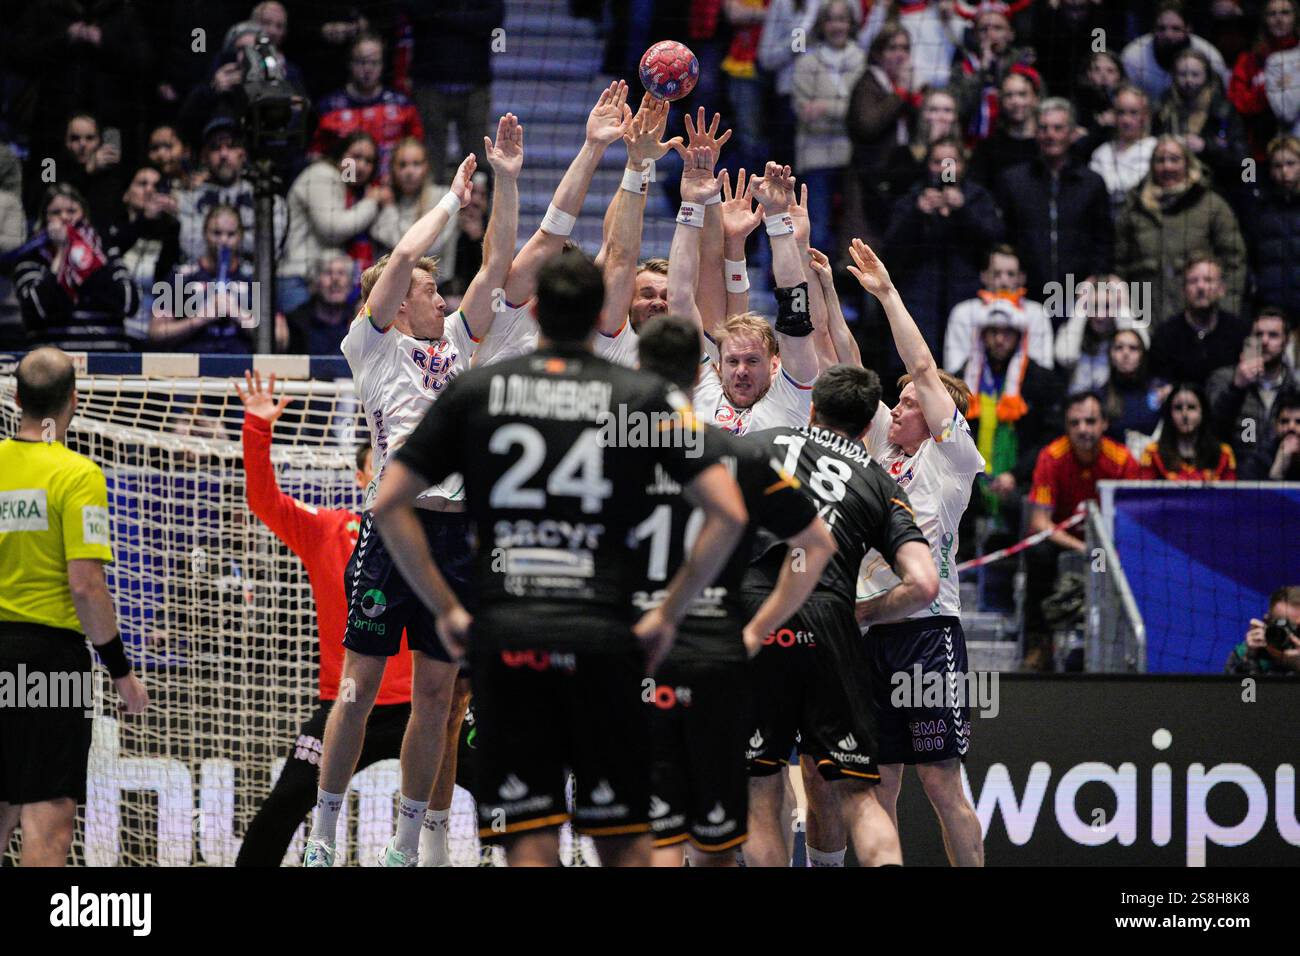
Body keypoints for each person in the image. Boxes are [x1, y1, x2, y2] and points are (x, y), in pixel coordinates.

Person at [373, 249, 749, 867]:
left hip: (511, 635)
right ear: (601, 312)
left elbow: (389, 501)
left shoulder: (481, 390)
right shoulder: (638, 395)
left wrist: (444, 608)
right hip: (604, 633)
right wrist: (668, 615)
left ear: (537, 310)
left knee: (531, 835)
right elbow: (728, 514)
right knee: (623, 836)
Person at [301, 124, 516, 868]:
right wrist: (453, 200)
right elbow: (397, 258)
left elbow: (497, 271)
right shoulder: (372, 345)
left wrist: (505, 181)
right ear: (396, 306)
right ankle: (325, 836)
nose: (440, 297)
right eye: (429, 290)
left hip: (458, 538)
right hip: (395, 533)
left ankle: (402, 842)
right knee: (357, 691)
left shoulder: (457, 342)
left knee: (436, 700)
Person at [634, 313, 835, 867]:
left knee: (650, 821)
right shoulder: (733, 453)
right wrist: (755, 630)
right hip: (713, 647)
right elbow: (816, 546)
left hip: (634, 651)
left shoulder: (602, 451)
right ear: (703, 372)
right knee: (718, 826)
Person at [742, 362, 939, 867]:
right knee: (858, 796)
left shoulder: (762, 445)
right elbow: (923, 584)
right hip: (831, 624)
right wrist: (864, 610)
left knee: (761, 793)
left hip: (758, 617)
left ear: (812, 410)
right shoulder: (880, 482)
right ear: (868, 427)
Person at [231, 371, 421, 866]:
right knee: (284, 803)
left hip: (421, 706)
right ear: (363, 477)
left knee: (504, 788)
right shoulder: (329, 529)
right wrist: (257, 428)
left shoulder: (436, 534)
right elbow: (264, 502)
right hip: (348, 702)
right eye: (380, 465)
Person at [842, 237, 986, 867]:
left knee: (940, 782)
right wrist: (820, 285)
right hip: (869, 633)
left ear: (938, 417)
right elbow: (841, 362)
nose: (896, 406)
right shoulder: (882, 448)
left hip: (926, 632)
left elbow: (924, 372)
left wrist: (887, 293)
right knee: (879, 781)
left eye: (907, 403)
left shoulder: (952, 459)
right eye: (895, 401)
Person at [0, 349, 149, 866]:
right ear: (74, 402)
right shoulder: (77, 474)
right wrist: (121, 672)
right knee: (48, 816)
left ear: (15, 398)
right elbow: (86, 587)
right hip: (47, 661)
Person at [672, 155, 821, 434]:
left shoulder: (791, 396)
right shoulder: (704, 388)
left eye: (752, 361)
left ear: (773, 363)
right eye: (732, 361)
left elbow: (795, 311)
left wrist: (777, 218)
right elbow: (679, 298)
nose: (741, 371)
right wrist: (691, 205)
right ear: (718, 365)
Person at [1024, 392, 1140, 669]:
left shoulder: (1123, 460)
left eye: (1090, 421)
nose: (1083, 430)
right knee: (1037, 551)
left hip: (1114, 547)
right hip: (1067, 545)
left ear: (1103, 424)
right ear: (1066, 426)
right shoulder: (1051, 457)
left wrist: (1104, 549)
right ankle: (1040, 644)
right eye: (1075, 423)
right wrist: (1084, 549)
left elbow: (1135, 524)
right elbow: (1040, 523)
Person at [882, 136, 1004, 360]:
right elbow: (890, 251)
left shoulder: (977, 198)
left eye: (951, 162)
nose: (944, 169)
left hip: (966, 301)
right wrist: (917, 214)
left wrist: (963, 210)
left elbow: (995, 239)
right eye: (937, 162)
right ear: (928, 165)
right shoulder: (911, 199)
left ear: (963, 165)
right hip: (920, 305)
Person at [994, 97, 1113, 307]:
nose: (1051, 134)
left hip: (1079, 296)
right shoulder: (1013, 181)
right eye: (1043, 128)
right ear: (1036, 133)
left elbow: (1104, 239)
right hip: (1025, 296)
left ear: (1072, 133)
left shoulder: (1092, 183)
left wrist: (1096, 277)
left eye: (1058, 128)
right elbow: (1004, 237)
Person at [1116, 138, 1246, 323]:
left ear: (1188, 163)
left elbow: (1234, 262)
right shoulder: (1134, 209)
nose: (1167, 167)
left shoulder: (1211, 205)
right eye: (1160, 160)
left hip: (1200, 318)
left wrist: (1225, 312)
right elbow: (1119, 265)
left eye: (1174, 160)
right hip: (1144, 319)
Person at [957, 298, 1062, 520]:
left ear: (1019, 337)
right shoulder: (964, 378)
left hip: (1022, 482)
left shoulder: (1041, 380)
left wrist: (1016, 475)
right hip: (970, 482)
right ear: (982, 336)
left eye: (1007, 333)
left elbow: (1049, 438)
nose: (999, 340)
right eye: (992, 332)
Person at [14, 184, 139, 353]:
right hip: (52, 365)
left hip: (110, 361)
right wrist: (61, 254)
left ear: (85, 216)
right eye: (56, 213)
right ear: (45, 219)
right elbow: (36, 310)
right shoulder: (32, 259)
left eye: (72, 211)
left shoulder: (106, 253)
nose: (65, 217)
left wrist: (85, 260)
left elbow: (128, 303)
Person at [149, 204, 286, 352]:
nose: (223, 240)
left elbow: (281, 339)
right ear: (204, 233)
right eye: (216, 233)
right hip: (192, 363)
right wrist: (198, 320)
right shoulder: (181, 277)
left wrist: (238, 315)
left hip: (242, 363)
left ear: (240, 235)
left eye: (230, 234)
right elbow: (156, 333)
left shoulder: (255, 279)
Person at [281, 131, 392, 314]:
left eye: (369, 161)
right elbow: (333, 229)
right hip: (298, 279)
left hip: (322, 281)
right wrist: (372, 202)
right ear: (340, 155)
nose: (361, 166)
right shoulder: (322, 175)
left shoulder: (349, 186)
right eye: (356, 157)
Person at [792, 0, 867, 254]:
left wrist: (826, 108)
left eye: (843, 19)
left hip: (852, 156)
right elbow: (807, 116)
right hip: (815, 157)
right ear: (822, 25)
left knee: (852, 232)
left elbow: (863, 115)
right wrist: (844, 110)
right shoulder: (806, 64)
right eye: (831, 20)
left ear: (851, 24)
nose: (837, 26)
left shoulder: (862, 61)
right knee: (818, 231)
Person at [408, 1, 506, 182]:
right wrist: (464, 21)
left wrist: (441, 19)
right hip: (430, 85)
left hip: (474, 86)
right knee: (430, 162)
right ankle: (432, 209)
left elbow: (492, 19)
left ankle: (479, 208)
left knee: (478, 161)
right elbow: (416, 11)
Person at [311, 33, 425, 179]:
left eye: (374, 62)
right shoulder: (329, 107)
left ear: (382, 65)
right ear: (350, 63)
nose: (368, 69)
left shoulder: (402, 106)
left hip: (392, 190)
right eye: (361, 62)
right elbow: (316, 156)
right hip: (344, 185)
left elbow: (417, 154)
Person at [176, 117, 287, 265]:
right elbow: (190, 248)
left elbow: (270, 248)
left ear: (243, 153)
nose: (223, 154)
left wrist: (214, 239)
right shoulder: (188, 199)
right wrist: (243, 237)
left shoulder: (266, 198)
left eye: (231, 146)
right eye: (215, 147)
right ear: (204, 156)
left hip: (254, 282)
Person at [845, 24, 918, 246]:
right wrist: (900, 94)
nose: (900, 55)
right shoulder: (868, 83)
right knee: (864, 250)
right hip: (867, 181)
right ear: (878, 53)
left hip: (895, 178)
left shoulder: (900, 86)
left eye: (905, 48)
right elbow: (868, 126)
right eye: (892, 48)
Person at [1152, 47, 1249, 205]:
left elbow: (1243, 162)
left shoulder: (1223, 109)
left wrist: (1206, 147)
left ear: (1207, 76)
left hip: (1215, 192)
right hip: (1168, 191)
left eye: (1195, 75)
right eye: (1182, 74)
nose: (1189, 81)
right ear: (1174, 76)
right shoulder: (1163, 108)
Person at [1207, 308, 1300, 461]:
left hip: (1286, 476)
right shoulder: (1223, 379)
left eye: (1273, 335)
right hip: (1235, 474)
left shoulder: (1295, 387)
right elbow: (1211, 431)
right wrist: (1236, 388)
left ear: (1286, 341)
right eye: (1258, 335)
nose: (1264, 341)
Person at [944, 244, 1053, 374]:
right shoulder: (963, 313)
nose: (1004, 282)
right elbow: (953, 371)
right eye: (996, 274)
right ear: (984, 276)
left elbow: (1044, 371)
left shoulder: (1036, 313)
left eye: (1011, 274)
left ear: (1022, 278)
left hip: (1024, 391)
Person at [107, 164, 181, 343]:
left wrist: (174, 223)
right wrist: (144, 220)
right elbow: (114, 256)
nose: (149, 190)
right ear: (126, 194)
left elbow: (167, 278)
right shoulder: (114, 230)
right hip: (115, 333)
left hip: (155, 335)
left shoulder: (168, 234)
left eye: (156, 186)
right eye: (142, 184)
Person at [1147, 257, 1250, 386]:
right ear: (1183, 290)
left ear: (1221, 289)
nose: (1200, 287)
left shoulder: (1238, 332)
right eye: (1193, 281)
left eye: (1208, 280)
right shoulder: (1165, 335)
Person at [948, 1, 1037, 143]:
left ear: (1010, 34)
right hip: (970, 145)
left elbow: (1037, 108)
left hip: (1013, 142)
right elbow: (959, 109)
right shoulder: (962, 68)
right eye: (983, 29)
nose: (990, 34)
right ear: (975, 35)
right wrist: (982, 70)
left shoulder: (1025, 66)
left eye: (998, 28)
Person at [1228, 0, 1299, 162]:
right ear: (1264, 20)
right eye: (1272, 14)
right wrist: (1270, 88)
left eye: (1285, 13)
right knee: (1249, 181)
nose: (1279, 19)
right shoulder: (1248, 60)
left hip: (1295, 149)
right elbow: (1237, 102)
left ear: (1296, 17)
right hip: (1255, 153)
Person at [1053, 274, 1148, 393]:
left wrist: (1123, 307)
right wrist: (1079, 310)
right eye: (1094, 306)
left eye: (1107, 306)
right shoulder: (1073, 330)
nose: (1100, 316)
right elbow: (1066, 357)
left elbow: (1141, 352)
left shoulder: (1130, 326)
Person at [1120, 1, 1230, 102]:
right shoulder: (1133, 56)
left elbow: (1219, 100)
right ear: (1153, 28)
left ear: (1188, 29)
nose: (1168, 35)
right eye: (1161, 28)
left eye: (1176, 28)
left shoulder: (1210, 56)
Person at [372, 138, 458, 265]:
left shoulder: (444, 197)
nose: (409, 172)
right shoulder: (385, 199)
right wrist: (386, 205)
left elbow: (426, 248)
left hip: (436, 282)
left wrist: (389, 209)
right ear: (392, 169)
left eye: (416, 164)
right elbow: (377, 234)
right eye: (402, 165)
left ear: (426, 166)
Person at [1245, 135, 1300, 321]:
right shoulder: (1260, 211)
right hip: (1271, 309)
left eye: (1291, 163)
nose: (1284, 171)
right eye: (1277, 166)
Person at [1139, 384, 1237, 480]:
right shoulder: (1152, 453)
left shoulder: (1224, 454)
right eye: (1178, 408)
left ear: (1203, 412)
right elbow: (1145, 495)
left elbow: (1231, 495)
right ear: (1169, 414)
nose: (1184, 414)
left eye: (1191, 407)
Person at [1089, 84, 1158, 218]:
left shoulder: (1154, 149)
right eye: (1121, 112)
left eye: (1133, 113)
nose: (1126, 120)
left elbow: (1134, 190)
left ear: (1145, 116)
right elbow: (1092, 192)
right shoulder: (1102, 153)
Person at [967, 68, 1042, 186]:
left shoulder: (1048, 144)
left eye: (1022, 94)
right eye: (1009, 95)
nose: (1015, 101)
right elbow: (973, 188)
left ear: (1035, 99)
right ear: (1001, 101)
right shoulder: (988, 148)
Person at [1102, 329, 1165, 459]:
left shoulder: (1161, 390)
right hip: (1116, 467)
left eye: (1133, 348)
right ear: (1110, 355)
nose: (1126, 353)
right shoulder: (1100, 397)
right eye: (1119, 348)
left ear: (1142, 354)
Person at [284, 254, 356, 355]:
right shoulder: (296, 323)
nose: (335, 279)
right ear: (315, 282)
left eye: (341, 273)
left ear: (349, 283)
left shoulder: (357, 321)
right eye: (328, 273)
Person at [1223, 585, 1300, 675]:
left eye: (1298, 629)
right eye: (1283, 625)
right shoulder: (1246, 652)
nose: (1290, 634)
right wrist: (1249, 659)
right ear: (1267, 622)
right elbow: (1236, 688)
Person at [1239, 392, 1300, 479]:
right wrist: (1280, 464)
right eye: (1284, 421)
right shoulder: (1261, 458)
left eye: (1298, 422)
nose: (1291, 427)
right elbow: (1254, 490)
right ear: (1275, 425)